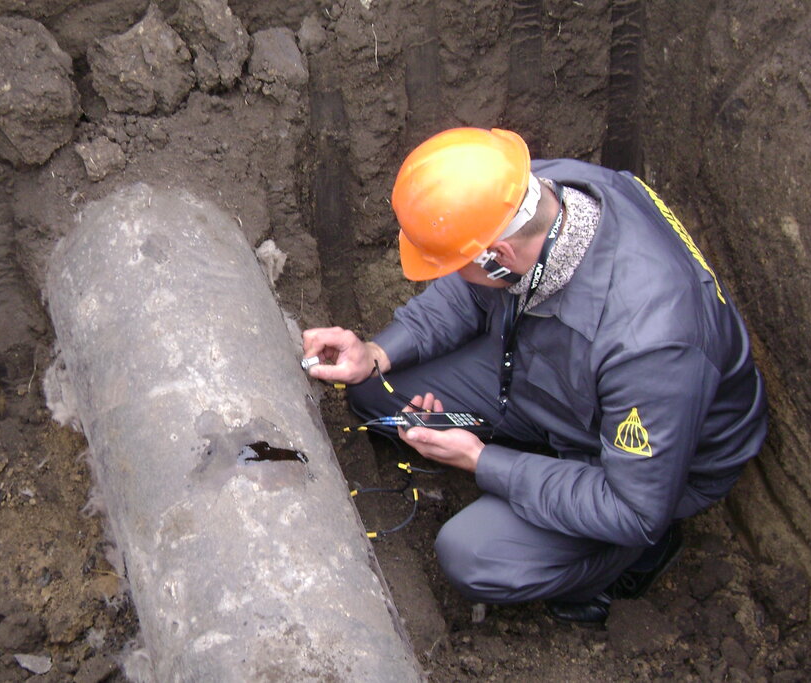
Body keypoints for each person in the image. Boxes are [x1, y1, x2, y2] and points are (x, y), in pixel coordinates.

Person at [301, 127, 768, 623]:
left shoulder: (652, 345)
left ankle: (626, 562)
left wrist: (481, 460)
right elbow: (469, 290)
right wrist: (375, 353)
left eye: (458, 263)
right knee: (376, 392)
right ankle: (537, 456)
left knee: (473, 556)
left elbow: (632, 508)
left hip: (645, 465)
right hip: (548, 368)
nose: (451, 273)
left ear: (499, 258)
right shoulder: (528, 193)